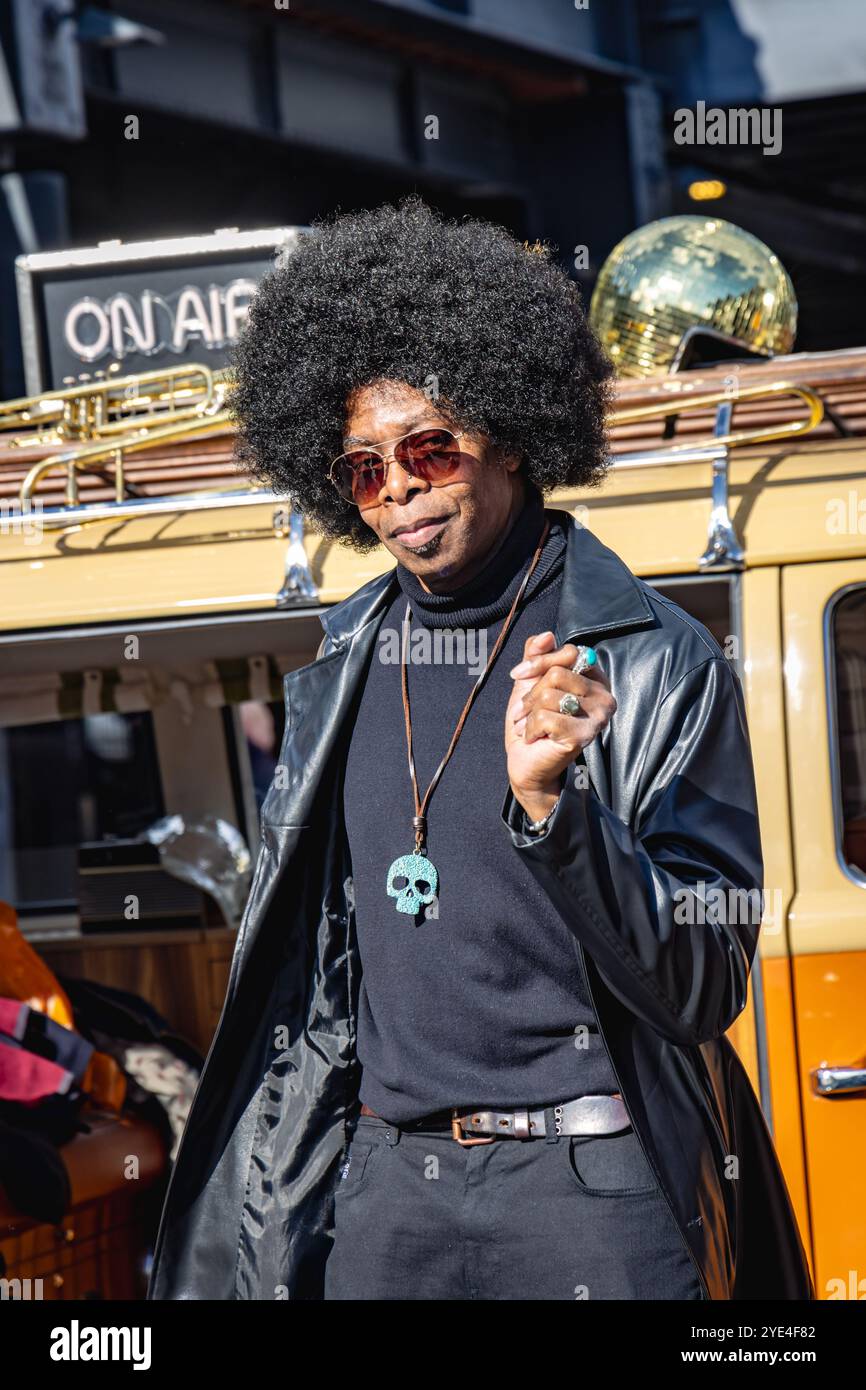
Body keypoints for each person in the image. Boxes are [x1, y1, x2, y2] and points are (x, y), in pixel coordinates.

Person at [147, 196, 813, 1301]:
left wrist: (558, 818)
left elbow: (702, 984)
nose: (397, 488)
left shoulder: (649, 658)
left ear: (504, 428)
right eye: (362, 468)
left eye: (426, 448)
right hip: (387, 1190)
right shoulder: (339, 667)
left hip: (589, 1187)